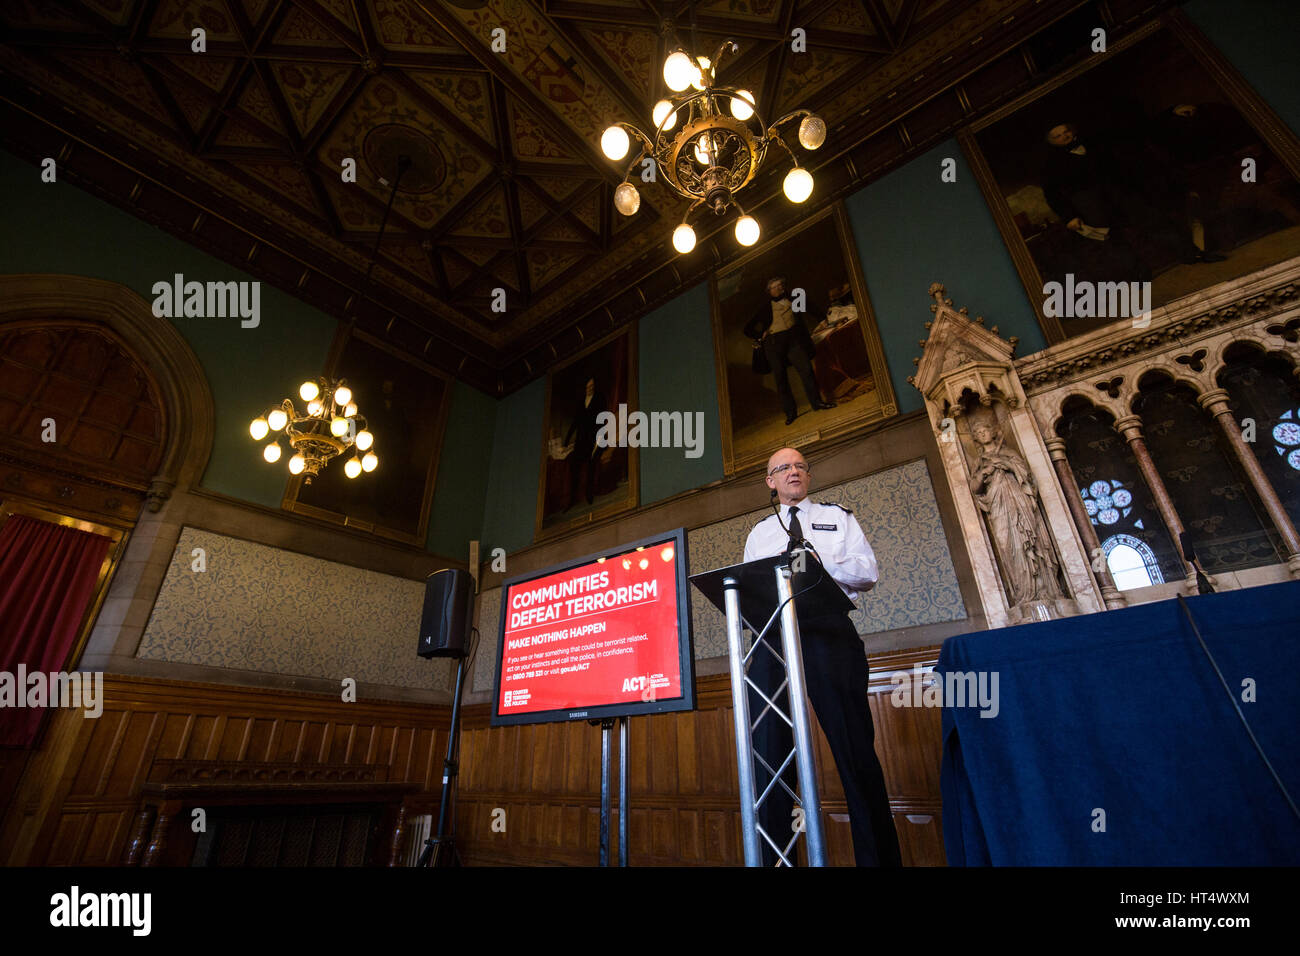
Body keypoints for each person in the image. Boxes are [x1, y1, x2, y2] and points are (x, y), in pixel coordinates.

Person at [741, 446, 902, 867]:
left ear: (807, 476)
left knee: (854, 749)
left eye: (799, 466)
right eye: (783, 468)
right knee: (769, 752)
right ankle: (777, 859)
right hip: (774, 640)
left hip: (829, 633)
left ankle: (879, 860)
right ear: (770, 482)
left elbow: (866, 571)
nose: (793, 472)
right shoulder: (759, 534)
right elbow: (748, 590)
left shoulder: (839, 518)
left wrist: (814, 561)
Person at [743, 277, 836, 425]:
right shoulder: (765, 308)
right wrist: (760, 334)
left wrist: (822, 319)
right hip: (773, 344)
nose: (779, 288)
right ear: (769, 291)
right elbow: (747, 329)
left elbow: (810, 307)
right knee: (781, 379)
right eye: (775, 287)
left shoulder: (794, 298)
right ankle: (791, 413)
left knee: (806, 370)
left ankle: (817, 403)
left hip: (793, 340)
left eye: (780, 285)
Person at [563, 376, 605, 510]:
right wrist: (567, 440)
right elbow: (575, 422)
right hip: (580, 440)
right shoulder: (581, 402)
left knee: (591, 467)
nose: (590, 389)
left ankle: (589, 495)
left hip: (593, 439)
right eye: (588, 386)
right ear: (585, 388)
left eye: (592, 386)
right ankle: (572, 500)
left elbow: (602, 420)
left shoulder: (599, 400)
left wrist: (598, 439)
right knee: (574, 467)